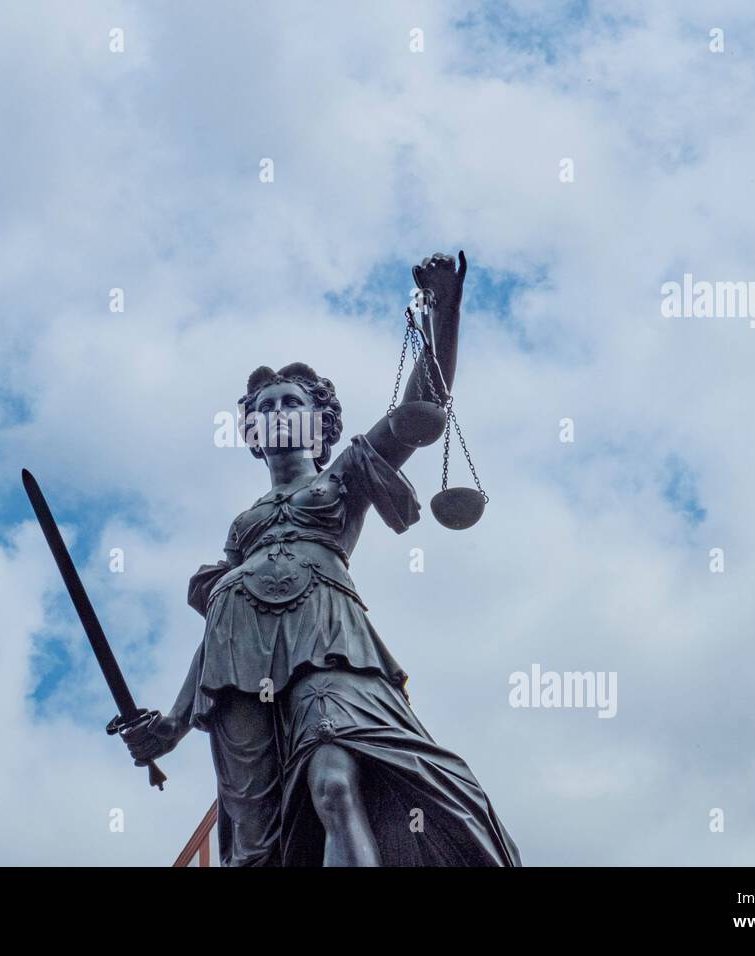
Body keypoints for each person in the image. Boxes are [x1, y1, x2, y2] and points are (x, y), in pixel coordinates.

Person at [123, 252, 520, 867]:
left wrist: (445, 309)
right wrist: (173, 724)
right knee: (254, 845)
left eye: (289, 403)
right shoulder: (243, 528)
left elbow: (420, 411)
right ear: (251, 434)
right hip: (236, 661)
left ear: (319, 422)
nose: (276, 414)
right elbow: (217, 626)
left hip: (330, 644)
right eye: (264, 409)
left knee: (336, 782)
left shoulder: (345, 476)